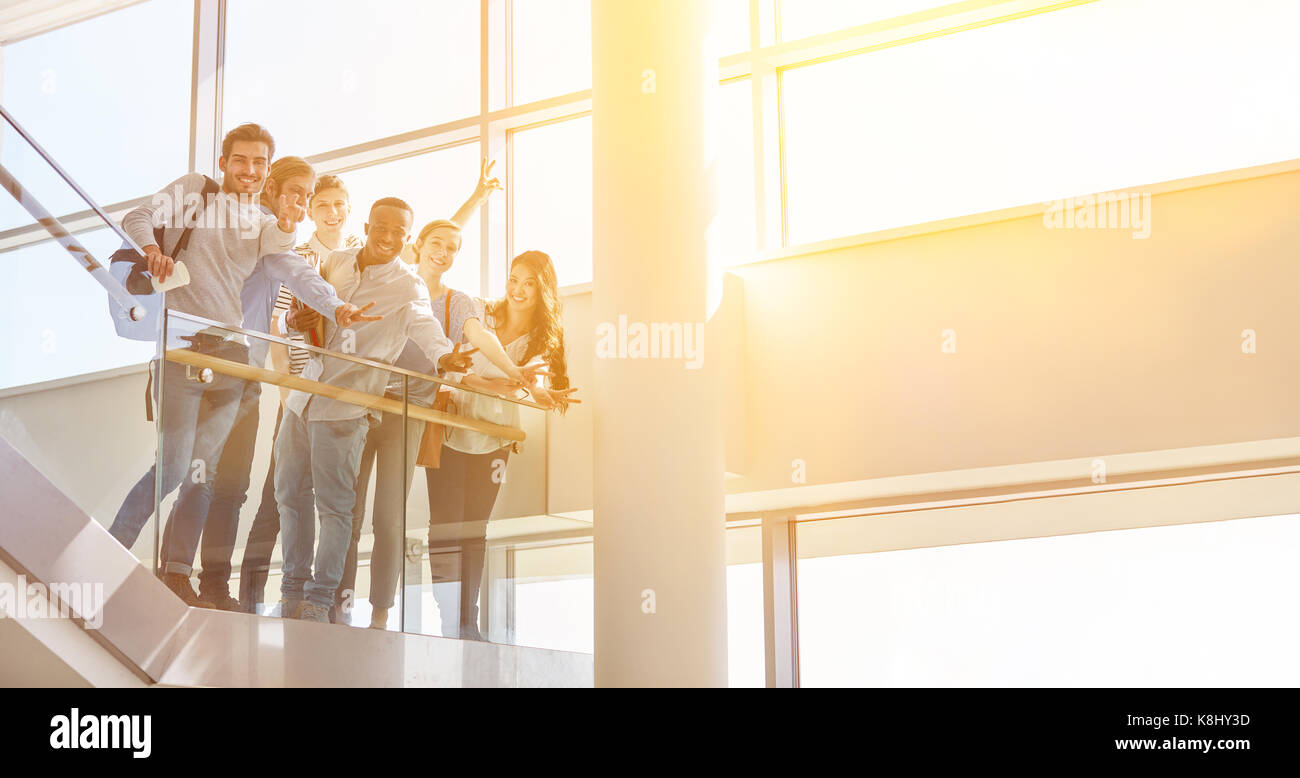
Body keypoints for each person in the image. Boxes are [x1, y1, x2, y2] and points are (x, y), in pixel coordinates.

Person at [106, 124, 373, 608]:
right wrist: (152, 251)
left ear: (266, 171)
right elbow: (138, 215)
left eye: (259, 163)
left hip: (230, 355)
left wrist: (336, 307)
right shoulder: (195, 191)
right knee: (171, 468)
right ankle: (106, 556)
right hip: (183, 347)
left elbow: (295, 268)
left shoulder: (263, 227)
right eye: (241, 160)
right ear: (225, 161)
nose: (249, 171)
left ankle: (184, 577)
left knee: (206, 477)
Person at [275, 197, 514, 623]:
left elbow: (426, 328)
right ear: (366, 225)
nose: (387, 237)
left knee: (339, 509)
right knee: (289, 496)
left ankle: (320, 599)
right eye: (380, 227)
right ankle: (292, 590)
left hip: (348, 407)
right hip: (303, 396)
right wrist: (295, 320)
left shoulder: (408, 286)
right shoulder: (337, 263)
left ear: (408, 238)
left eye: (397, 232)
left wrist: (445, 361)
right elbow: (305, 318)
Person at [338, 159, 528, 629]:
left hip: (410, 409)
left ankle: (382, 613)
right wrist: (474, 200)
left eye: (453, 250)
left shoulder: (455, 301)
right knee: (347, 509)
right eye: (435, 245)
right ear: (416, 244)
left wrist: (514, 375)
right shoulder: (395, 275)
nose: (444, 252)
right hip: (361, 400)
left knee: (389, 516)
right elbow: (438, 232)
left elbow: (479, 335)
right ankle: (334, 605)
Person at [194, 159, 368, 610]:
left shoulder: (359, 259)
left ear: (349, 210)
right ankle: (251, 596)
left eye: (338, 205)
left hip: (343, 399)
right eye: (322, 204)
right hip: (300, 395)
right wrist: (290, 393)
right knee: (279, 495)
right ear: (310, 210)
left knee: (340, 502)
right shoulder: (299, 255)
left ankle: (330, 599)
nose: (331, 212)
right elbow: (278, 327)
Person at [426, 250, 579, 640]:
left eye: (529, 283)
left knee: (474, 531)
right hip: (450, 427)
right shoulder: (478, 313)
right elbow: (452, 367)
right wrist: (498, 384)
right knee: (445, 527)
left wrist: (541, 394)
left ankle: (467, 621)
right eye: (514, 279)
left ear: (542, 289)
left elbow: (535, 383)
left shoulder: (543, 339)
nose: (518, 289)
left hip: (494, 439)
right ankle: (448, 618)